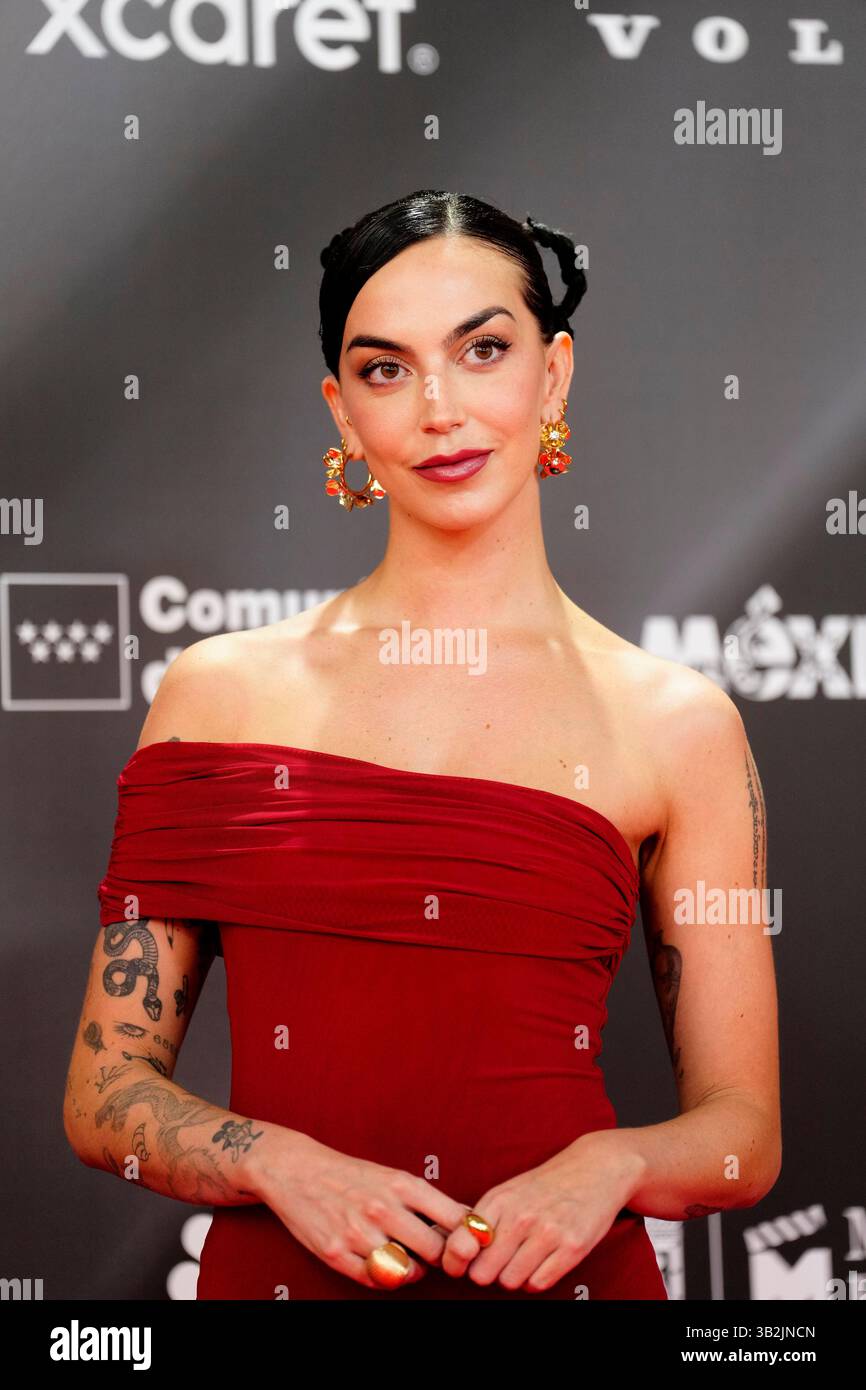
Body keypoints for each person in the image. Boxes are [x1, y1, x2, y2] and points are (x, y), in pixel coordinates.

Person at [64, 189, 781, 1300]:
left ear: (553, 375)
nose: (438, 409)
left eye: (482, 350)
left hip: (567, 1281)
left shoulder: (674, 722)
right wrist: (280, 1162)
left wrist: (613, 1159)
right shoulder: (220, 693)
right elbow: (104, 1091)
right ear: (342, 412)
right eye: (385, 369)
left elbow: (744, 1131)